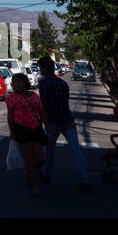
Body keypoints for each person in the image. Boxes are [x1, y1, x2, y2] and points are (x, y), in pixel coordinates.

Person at [37, 55, 91, 193]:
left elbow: (44, 105)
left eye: (41, 67)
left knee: (49, 151)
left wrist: (44, 124)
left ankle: (46, 174)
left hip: (53, 122)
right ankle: (84, 178)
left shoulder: (43, 83)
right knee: (76, 150)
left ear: (46, 68)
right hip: (67, 120)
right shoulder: (63, 83)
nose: (40, 70)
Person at [5, 72, 48, 196]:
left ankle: (28, 173)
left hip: (36, 129)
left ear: (25, 82)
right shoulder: (12, 97)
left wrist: (48, 127)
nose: (17, 84)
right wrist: (11, 132)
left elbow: (42, 111)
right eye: (14, 82)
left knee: (40, 159)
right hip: (21, 130)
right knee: (28, 159)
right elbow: (10, 116)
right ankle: (34, 186)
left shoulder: (34, 95)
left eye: (19, 81)